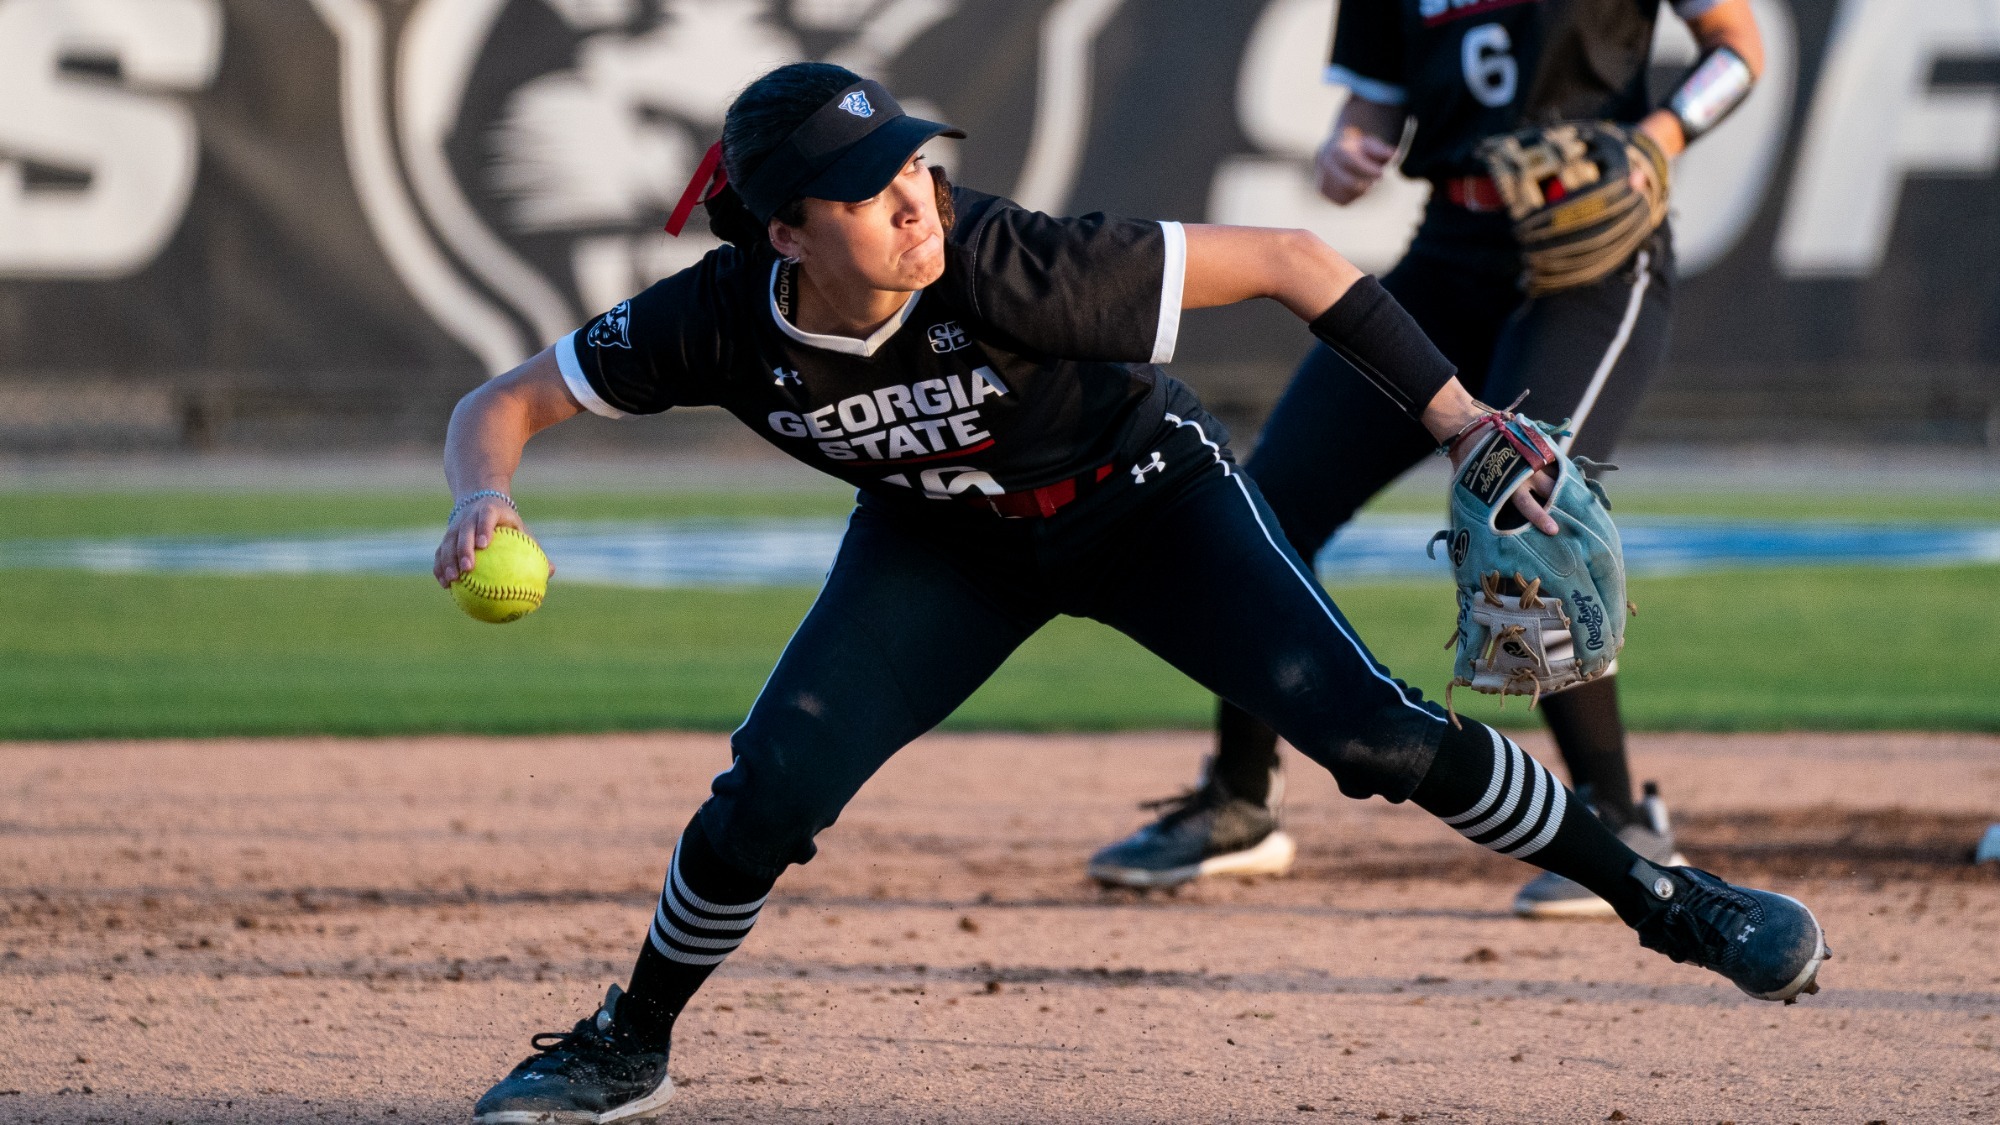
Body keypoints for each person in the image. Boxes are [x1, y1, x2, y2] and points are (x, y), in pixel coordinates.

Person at [435, 63, 1822, 1124]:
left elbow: (1293, 262)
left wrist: (1462, 420)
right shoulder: (717, 319)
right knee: (773, 788)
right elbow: (503, 402)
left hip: (1147, 501)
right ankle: (633, 1040)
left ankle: (1666, 898)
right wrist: (479, 496)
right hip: (946, 546)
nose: (915, 196)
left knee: (1379, 735)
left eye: (912, 162)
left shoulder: (1013, 264)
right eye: (868, 188)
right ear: (786, 232)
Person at [1089, 0, 1767, 919]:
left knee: (1532, 499)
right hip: (1451, 251)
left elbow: (1739, 46)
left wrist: (1658, 137)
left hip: (1590, 260)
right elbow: (1370, 113)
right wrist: (1346, 149)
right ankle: (1242, 800)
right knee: (1257, 508)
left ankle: (1620, 813)